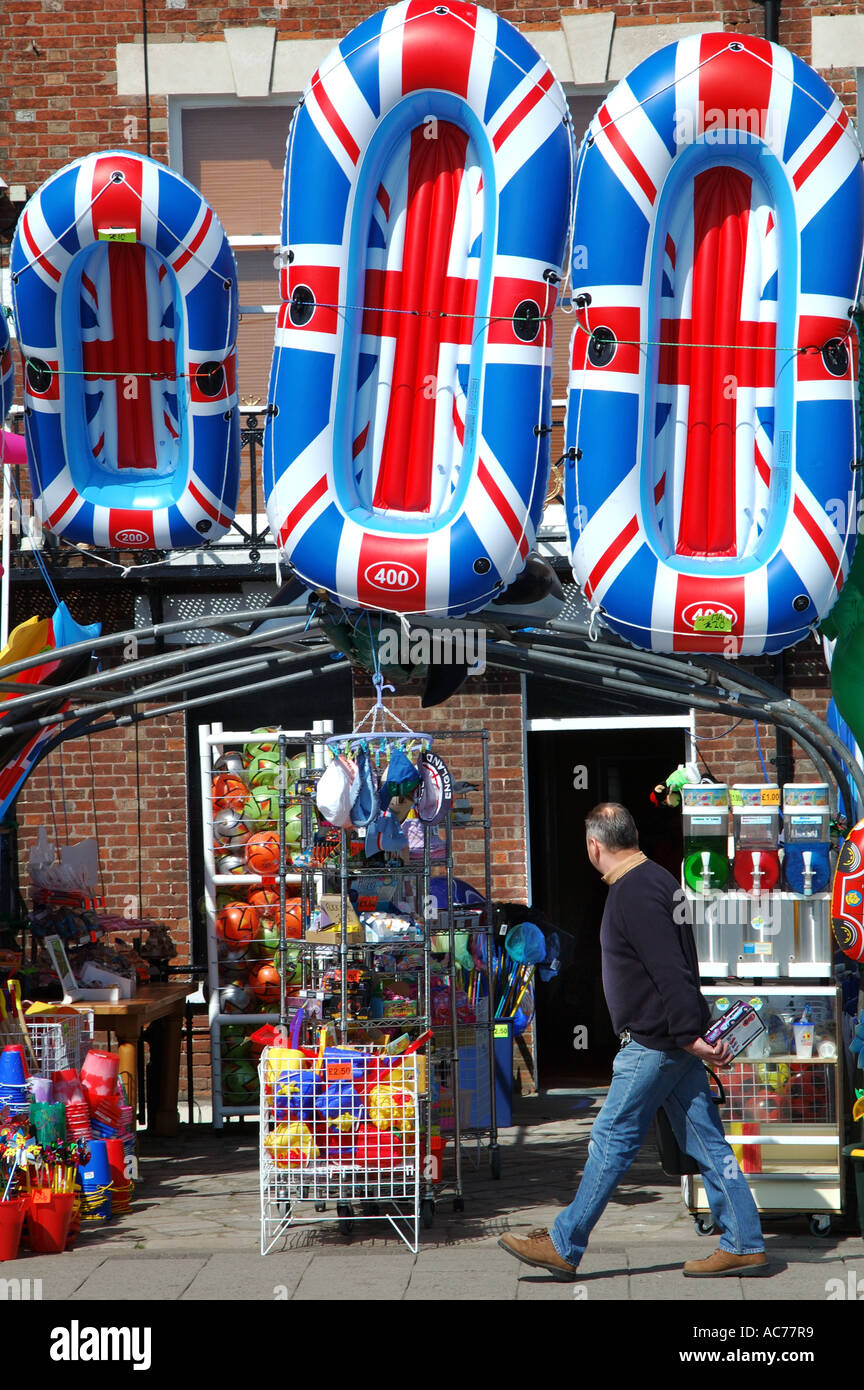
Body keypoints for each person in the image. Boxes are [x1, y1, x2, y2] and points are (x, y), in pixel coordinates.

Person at [499, 802, 768, 1280]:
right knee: (708, 1144)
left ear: (593, 845)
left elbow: (671, 970)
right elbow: (684, 963)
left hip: (654, 1043)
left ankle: (564, 1243)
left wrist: (689, 1036)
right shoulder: (660, 880)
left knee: (610, 1139)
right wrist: (690, 1035)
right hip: (671, 1042)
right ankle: (744, 1241)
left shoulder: (635, 891)